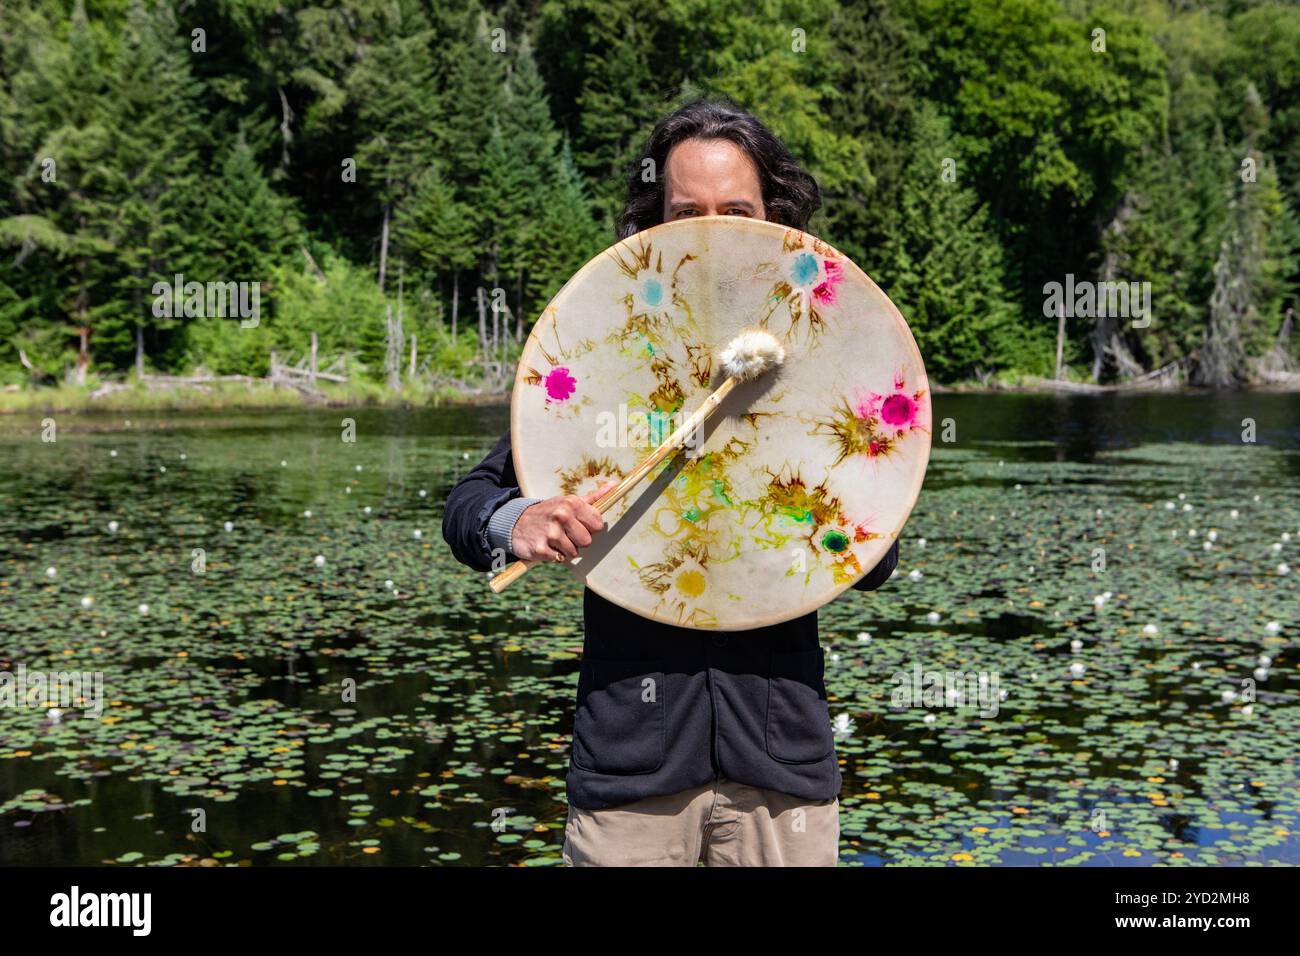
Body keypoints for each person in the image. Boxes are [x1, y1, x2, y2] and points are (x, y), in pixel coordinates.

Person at [443, 96, 899, 867]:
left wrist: (812, 499)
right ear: (655, 221)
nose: (713, 227)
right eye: (689, 210)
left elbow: (878, 559)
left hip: (779, 774)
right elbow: (467, 508)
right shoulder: (604, 360)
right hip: (630, 775)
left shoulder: (820, 360)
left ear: (773, 216)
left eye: (737, 208)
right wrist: (516, 519)